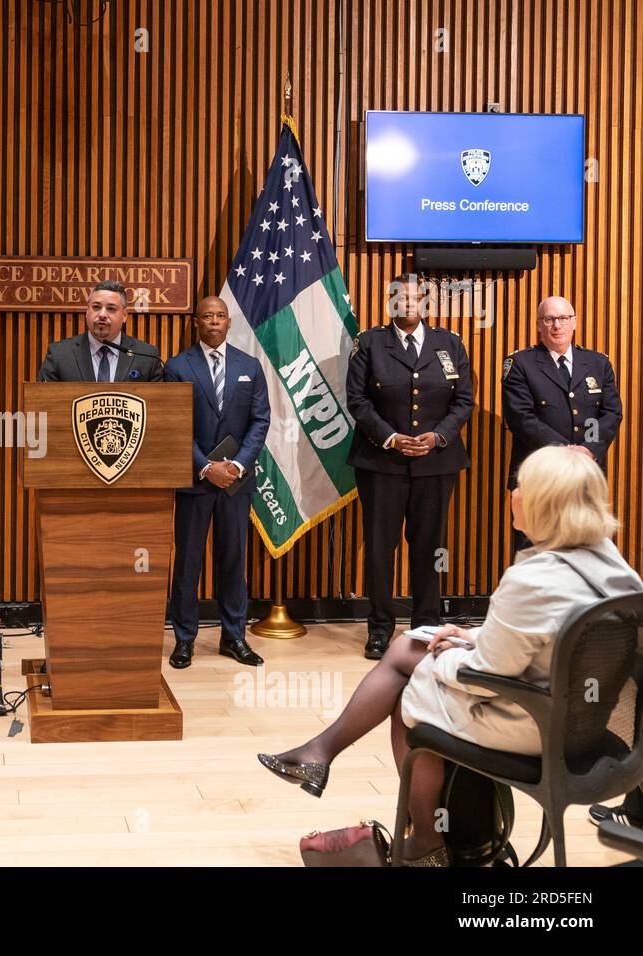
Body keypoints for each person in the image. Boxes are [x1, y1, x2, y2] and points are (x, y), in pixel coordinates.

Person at [258, 446, 643, 866]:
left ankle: (427, 840)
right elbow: (549, 634)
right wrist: (469, 635)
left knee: (411, 693)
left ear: (542, 503)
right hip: (588, 727)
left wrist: (441, 659)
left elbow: (487, 673)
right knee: (408, 649)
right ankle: (320, 755)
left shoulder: (531, 579)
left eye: (520, 485)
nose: (511, 492)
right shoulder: (615, 567)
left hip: (536, 727)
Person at [346, 273, 474, 660]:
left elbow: (463, 400)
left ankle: (426, 627)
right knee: (381, 549)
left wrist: (438, 437)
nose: (408, 304)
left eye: (416, 298)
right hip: (382, 461)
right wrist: (390, 437)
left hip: (436, 462)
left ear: (426, 303)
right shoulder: (369, 343)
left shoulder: (449, 344)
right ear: (390, 303)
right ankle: (380, 628)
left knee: (429, 547)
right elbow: (357, 400)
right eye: (400, 298)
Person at [163, 295, 271, 668]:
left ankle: (234, 637)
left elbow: (260, 421)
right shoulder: (177, 366)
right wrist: (206, 467)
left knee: (232, 559)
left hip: (236, 483)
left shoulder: (250, 366)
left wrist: (238, 466)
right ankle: (184, 639)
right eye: (206, 315)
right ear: (197, 322)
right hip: (194, 481)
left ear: (229, 322)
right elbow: (174, 424)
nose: (213, 321)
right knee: (188, 563)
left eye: (220, 316)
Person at [501, 295, 623, 551]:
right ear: (539, 325)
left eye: (563, 318)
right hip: (539, 474)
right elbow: (520, 417)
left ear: (574, 322)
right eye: (549, 319)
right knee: (536, 551)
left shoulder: (598, 363)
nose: (557, 325)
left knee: (589, 549)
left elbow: (612, 413)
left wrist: (587, 449)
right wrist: (566, 453)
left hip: (586, 471)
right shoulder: (521, 364)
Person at [37, 279, 164, 382]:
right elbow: (42, 405)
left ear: (125, 315)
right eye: (96, 307)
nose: (102, 314)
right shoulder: (59, 355)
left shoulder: (147, 357)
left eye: (111, 308)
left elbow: (158, 409)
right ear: (87, 311)